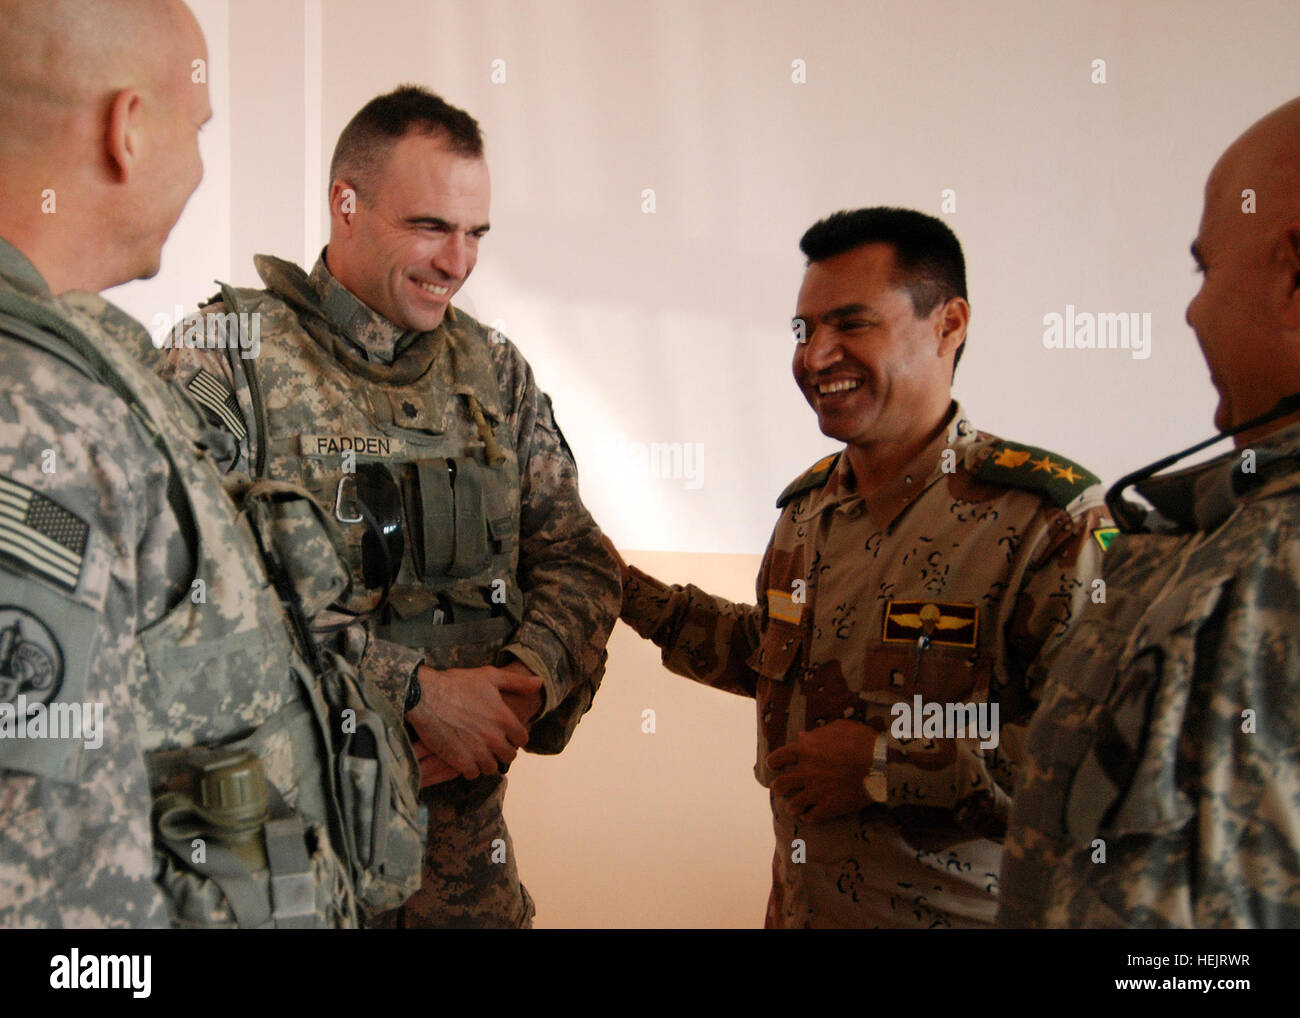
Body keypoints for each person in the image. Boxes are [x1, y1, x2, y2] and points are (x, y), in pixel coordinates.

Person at [158, 86, 621, 928]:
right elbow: (184, 597)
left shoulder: (494, 371)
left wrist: (516, 690)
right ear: (347, 203)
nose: (458, 262)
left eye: (475, 232)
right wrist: (411, 692)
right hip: (287, 870)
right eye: (430, 227)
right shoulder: (225, 359)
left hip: (463, 881)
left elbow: (579, 557)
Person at [0, 0, 411, 930]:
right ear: (129, 128)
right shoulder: (32, 419)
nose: (199, 163)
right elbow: (42, 888)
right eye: (197, 129)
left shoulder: (74, 371)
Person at [608, 207, 1112, 927]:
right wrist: (626, 590)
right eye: (804, 330)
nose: (815, 356)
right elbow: (772, 660)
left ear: (949, 324)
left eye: (852, 324)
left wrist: (886, 766)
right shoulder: (809, 511)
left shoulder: (1050, 523)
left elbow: (1098, 761)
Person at [998, 96, 1300, 928]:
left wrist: (883, 766)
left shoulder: (1254, 575)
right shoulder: (1209, 522)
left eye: (1206, 270)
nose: (1193, 311)